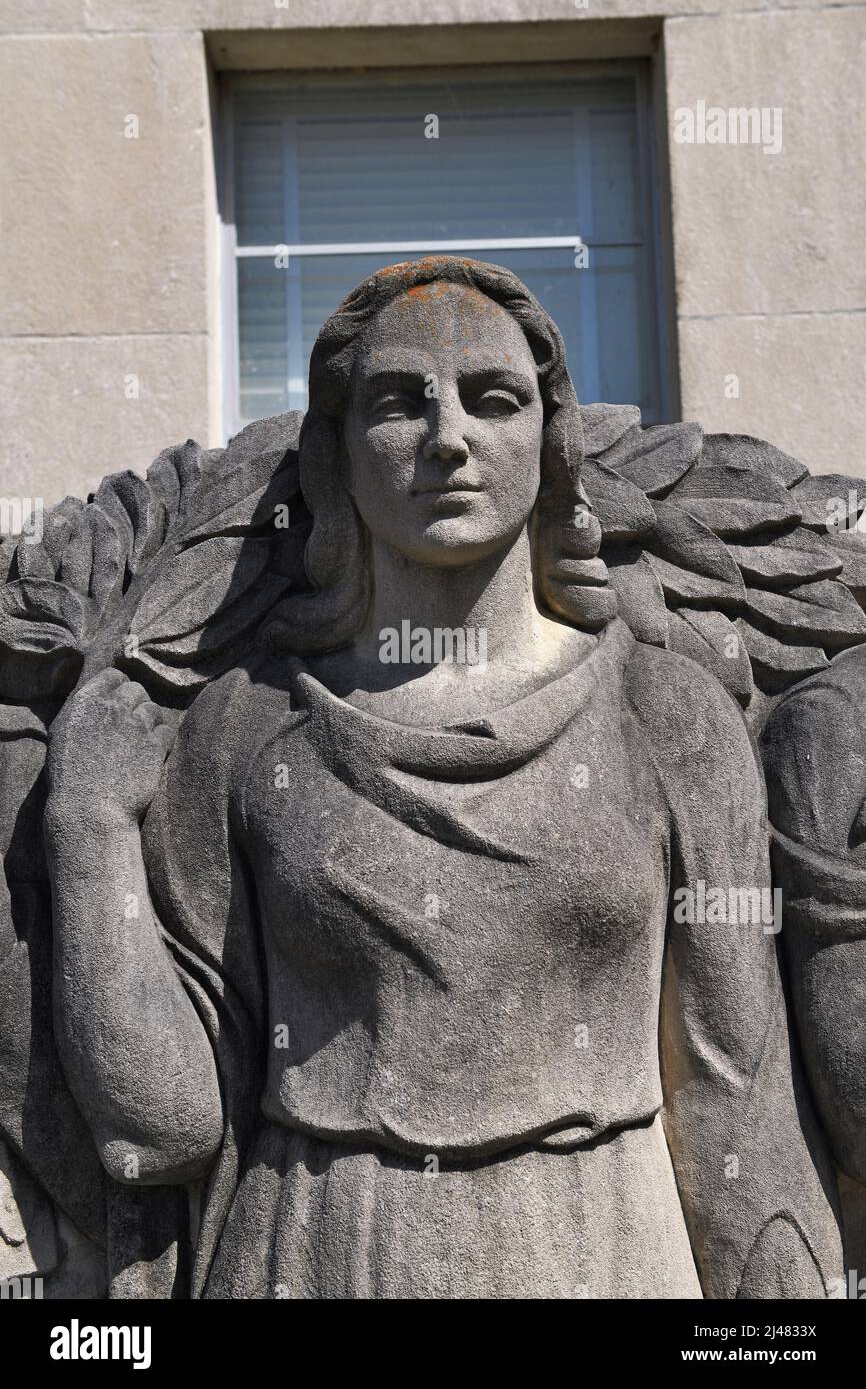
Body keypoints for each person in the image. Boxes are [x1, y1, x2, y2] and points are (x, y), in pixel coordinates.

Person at [45, 258, 841, 1298]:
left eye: (492, 399)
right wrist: (90, 823)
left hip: (602, 1251)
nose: (448, 439)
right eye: (396, 403)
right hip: (319, 1249)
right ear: (336, 454)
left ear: (548, 444)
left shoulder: (665, 717)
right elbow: (161, 1129)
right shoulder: (246, 729)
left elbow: (736, 1103)